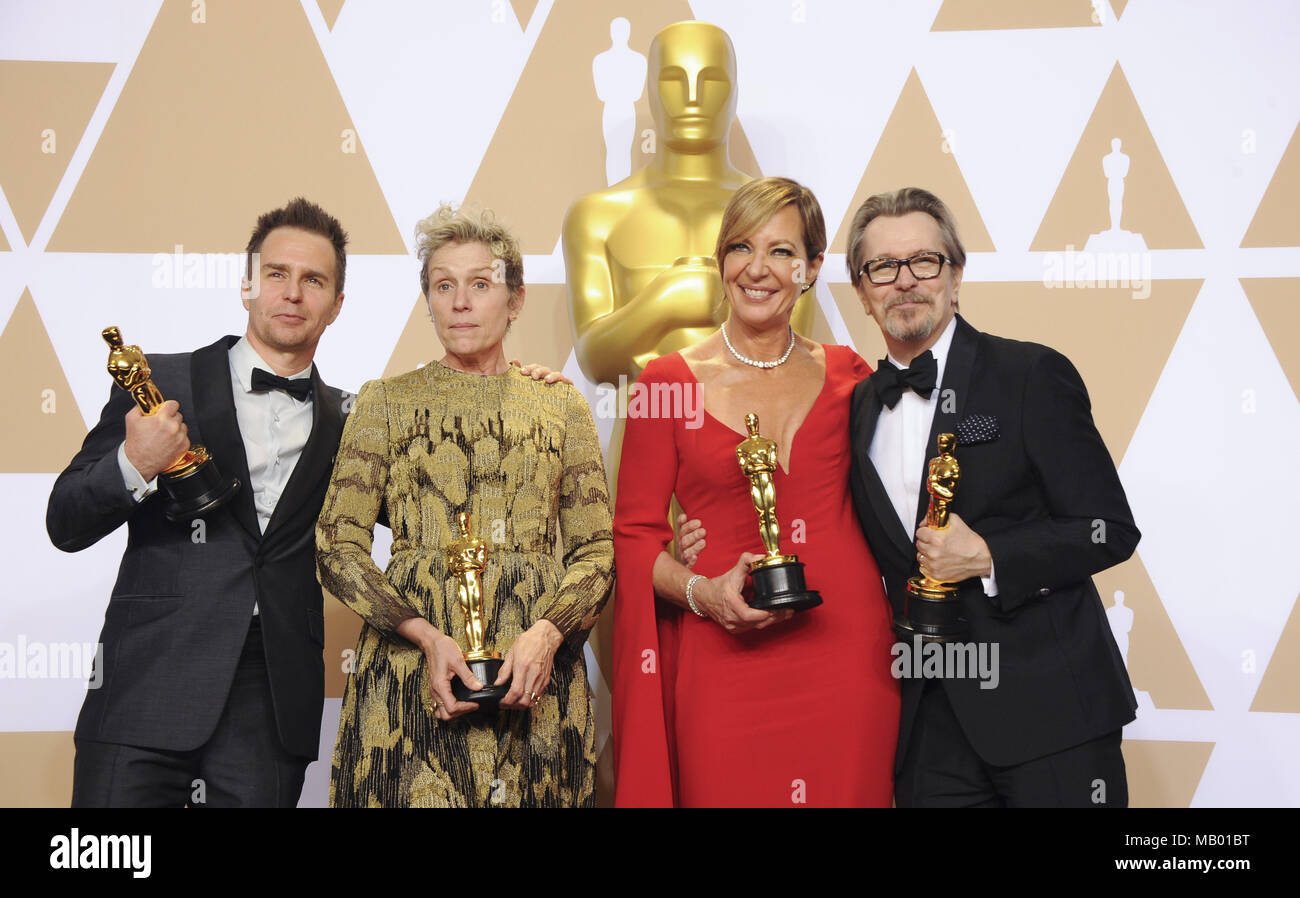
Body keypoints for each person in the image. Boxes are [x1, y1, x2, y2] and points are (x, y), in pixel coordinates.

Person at [48, 197, 352, 807]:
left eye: (313, 280)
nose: (292, 293)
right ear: (247, 287)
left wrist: (509, 378)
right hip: (145, 692)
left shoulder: (351, 419)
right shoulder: (162, 382)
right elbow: (66, 520)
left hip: (269, 710)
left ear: (336, 305)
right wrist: (136, 463)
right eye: (276, 274)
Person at [844, 187, 1140, 807]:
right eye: (883, 267)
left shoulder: (1030, 374)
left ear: (956, 276)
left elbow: (1108, 527)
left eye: (925, 261)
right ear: (862, 290)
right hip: (927, 728)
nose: (905, 281)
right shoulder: (859, 406)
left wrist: (988, 557)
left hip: (1052, 715)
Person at [611, 177, 900, 807]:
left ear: (812, 268)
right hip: (724, 655)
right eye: (741, 248)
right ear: (721, 263)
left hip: (847, 656)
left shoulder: (853, 374)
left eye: (780, 251)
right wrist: (702, 593)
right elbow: (632, 538)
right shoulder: (667, 383)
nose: (757, 269)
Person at [317, 205, 614, 808]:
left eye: (480, 284)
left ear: (515, 298)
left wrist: (548, 633)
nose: (460, 302)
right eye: (443, 285)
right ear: (427, 299)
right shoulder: (385, 402)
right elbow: (336, 545)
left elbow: (596, 553)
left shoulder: (561, 407)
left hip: (536, 681)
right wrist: (424, 635)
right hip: (410, 680)